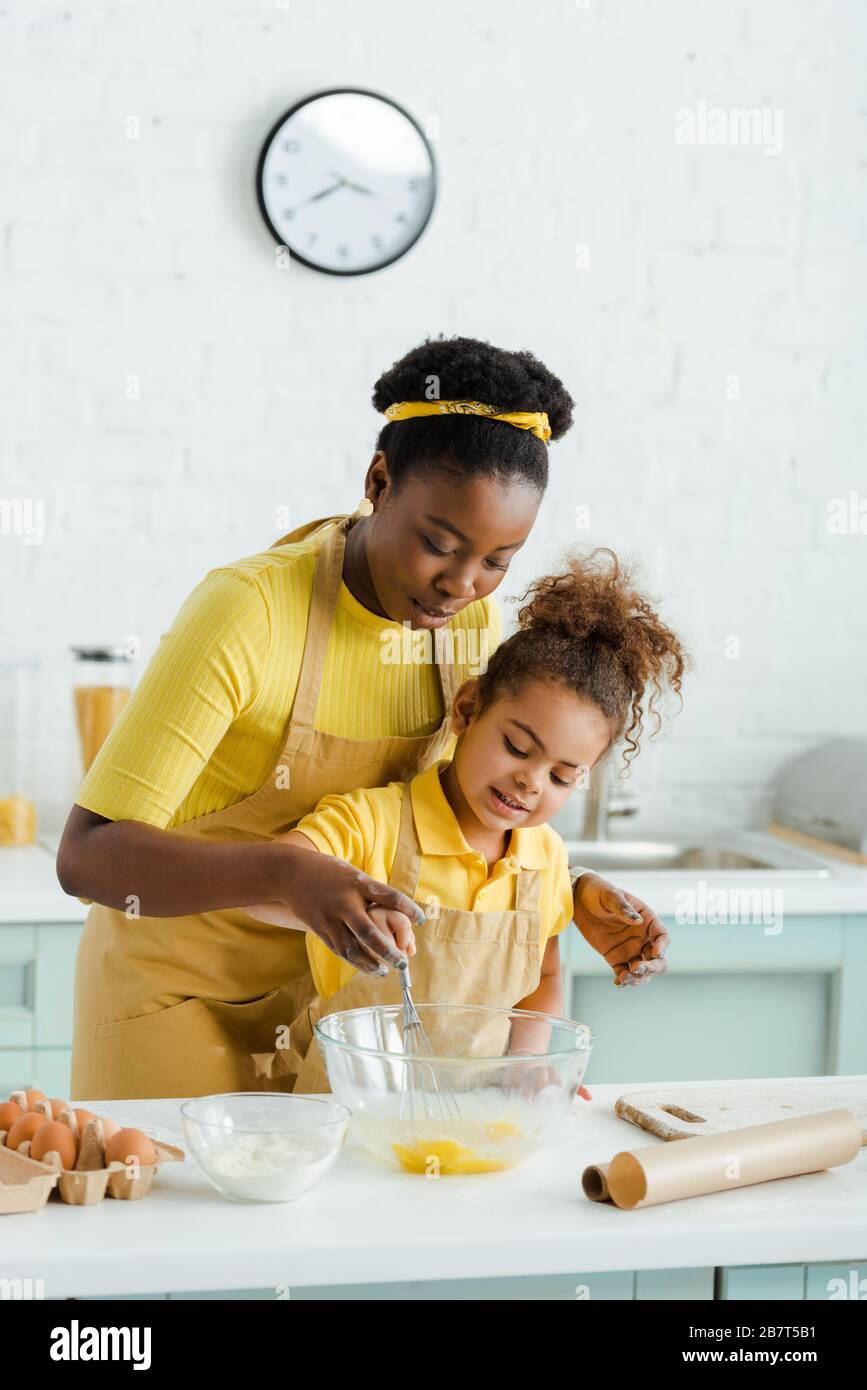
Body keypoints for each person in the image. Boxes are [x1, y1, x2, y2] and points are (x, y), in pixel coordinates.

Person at [58, 334, 670, 1100]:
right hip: (176, 992)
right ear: (379, 481)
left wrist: (553, 891)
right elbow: (87, 856)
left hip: (346, 1012)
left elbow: (444, 810)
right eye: (438, 544)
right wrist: (287, 872)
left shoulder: (467, 629)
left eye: (496, 561)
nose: (460, 585)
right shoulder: (248, 613)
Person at [247, 549, 685, 1093]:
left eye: (562, 776)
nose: (531, 781)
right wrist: (331, 901)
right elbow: (260, 884)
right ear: (468, 708)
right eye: (518, 747)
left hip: (473, 1127)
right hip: (351, 1119)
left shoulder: (544, 860)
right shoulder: (373, 824)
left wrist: (524, 1066)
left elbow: (542, 976)